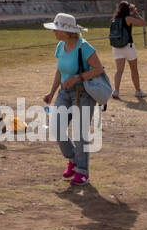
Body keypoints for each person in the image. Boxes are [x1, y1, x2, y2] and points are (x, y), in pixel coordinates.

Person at [41, 12, 106, 187]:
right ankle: (73, 159)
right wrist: (51, 92)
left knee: (80, 133)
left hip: (83, 93)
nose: (54, 32)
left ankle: (83, 172)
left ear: (67, 31)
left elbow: (99, 69)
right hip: (64, 92)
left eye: (57, 29)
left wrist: (78, 78)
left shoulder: (84, 47)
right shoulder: (61, 46)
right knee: (56, 127)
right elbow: (60, 71)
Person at [108, 1, 147, 99]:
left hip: (116, 47)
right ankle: (138, 90)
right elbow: (143, 23)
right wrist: (136, 13)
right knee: (134, 69)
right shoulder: (128, 18)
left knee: (119, 70)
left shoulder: (114, 19)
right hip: (128, 46)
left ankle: (116, 91)